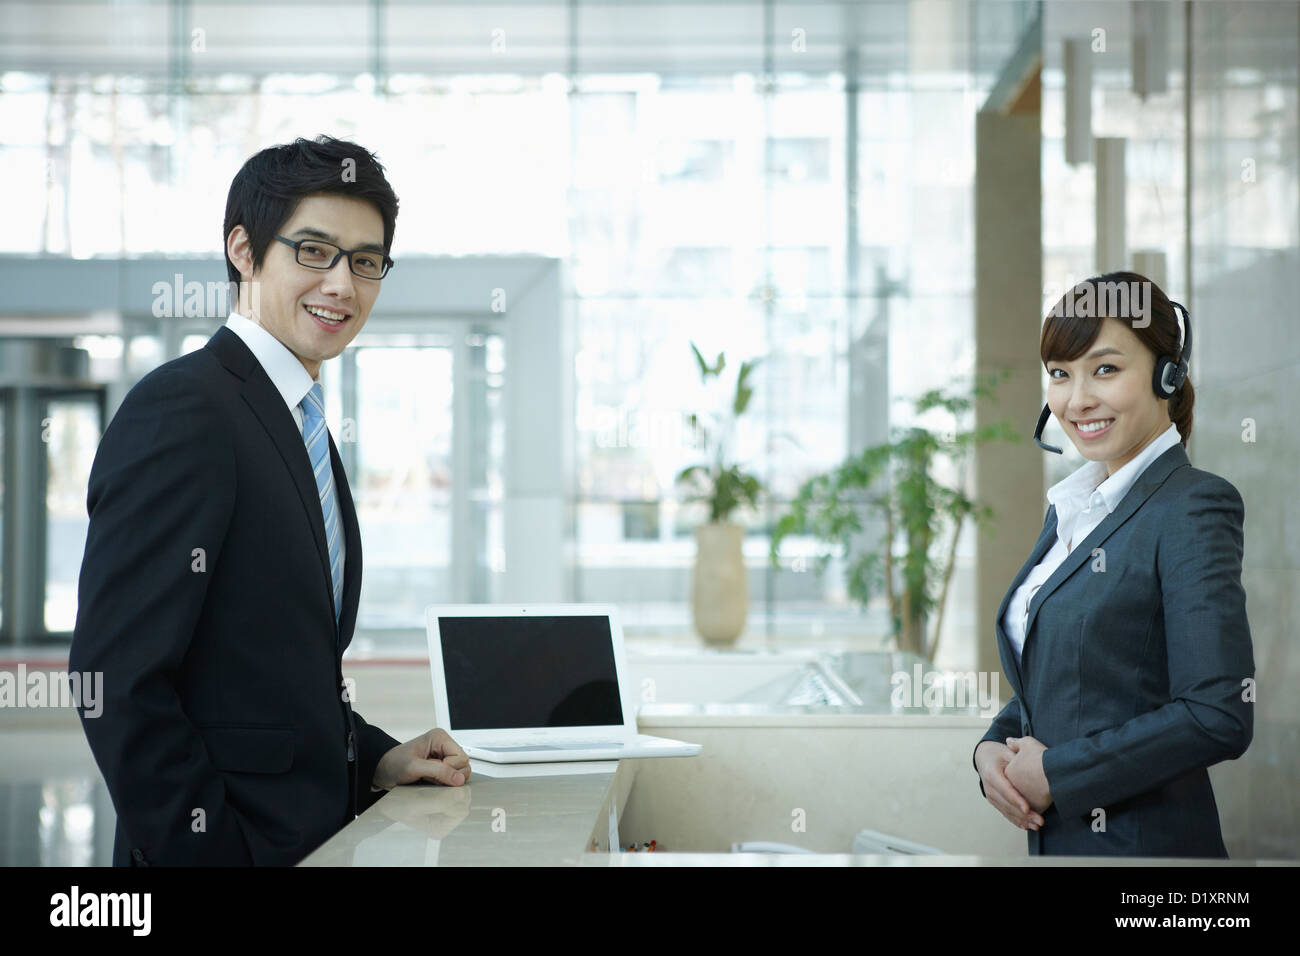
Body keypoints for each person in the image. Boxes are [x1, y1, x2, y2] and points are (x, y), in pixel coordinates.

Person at [70, 135, 471, 867]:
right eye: (313, 251)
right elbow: (118, 682)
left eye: (365, 261)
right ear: (245, 252)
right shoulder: (186, 411)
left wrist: (375, 760)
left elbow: (270, 673)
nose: (342, 286)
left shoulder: (297, 419)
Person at [971, 271, 1254, 857]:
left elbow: (1218, 712)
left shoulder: (1191, 505)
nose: (1078, 400)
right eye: (1060, 374)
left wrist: (1060, 773)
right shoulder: (1076, 508)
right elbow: (1078, 673)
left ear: (1166, 374)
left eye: (1105, 369)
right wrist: (993, 747)